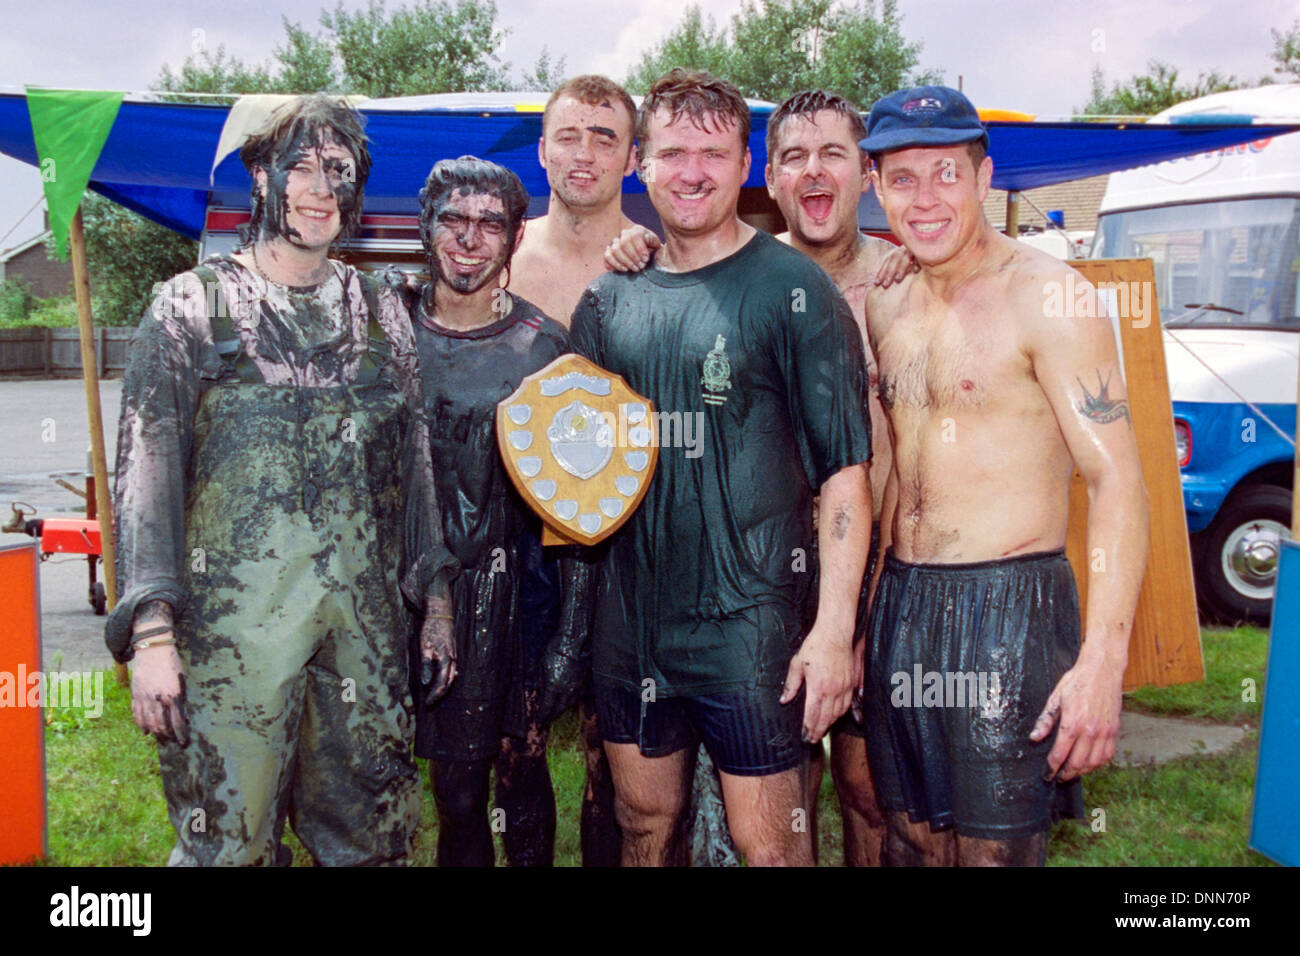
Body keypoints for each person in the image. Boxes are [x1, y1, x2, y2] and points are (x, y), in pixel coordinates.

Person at [107, 94, 457, 866]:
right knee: (229, 843)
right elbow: (145, 478)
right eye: (301, 165)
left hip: (360, 635)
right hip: (233, 640)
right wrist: (153, 633)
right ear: (262, 176)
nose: (321, 187)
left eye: (340, 170)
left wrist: (433, 603)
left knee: (373, 837)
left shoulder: (381, 312)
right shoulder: (190, 306)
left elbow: (415, 463)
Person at [570, 69, 874, 867]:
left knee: (769, 845)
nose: (693, 171)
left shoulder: (796, 293)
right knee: (643, 827)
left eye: (713, 152)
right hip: (634, 625)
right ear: (642, 163)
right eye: (673, 153)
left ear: (746, 165)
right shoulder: (608, 301)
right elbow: (571, 468)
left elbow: (846, 473)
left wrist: (833, 632)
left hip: (754, 629)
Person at [860, 85, 1149, 865]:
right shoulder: (887, 303)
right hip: (903, 604)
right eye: (903, 178)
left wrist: (1103, 660)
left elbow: (1116, 479)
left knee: (995, 855)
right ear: (876, 187)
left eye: (946, 174)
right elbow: (889, 467)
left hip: (1010, 607)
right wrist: (862, 620)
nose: (925, 199)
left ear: (985, 178)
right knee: (910, 839)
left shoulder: (1050, 297)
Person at [402, 156, 593, 867]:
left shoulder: (545, 347)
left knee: (519, 768)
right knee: (452, 787)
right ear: (426, 227)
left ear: (516, 239)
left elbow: (578, 509)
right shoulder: (388, 338)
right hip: (413, 592)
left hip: (518, 594)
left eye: (490, 223)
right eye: (453, 218)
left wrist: (570, 634)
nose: (469, 238)